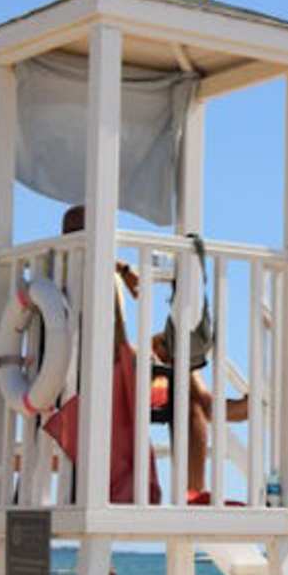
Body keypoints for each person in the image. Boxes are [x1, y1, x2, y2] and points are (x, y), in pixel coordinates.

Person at [64, 206, 249, 503]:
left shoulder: (75, 267)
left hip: (113, 364)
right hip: (105, 374)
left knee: (173, 359)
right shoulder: (81, 272)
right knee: (183, 386)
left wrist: (123, 270)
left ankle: (214, 408)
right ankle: (215, 415)